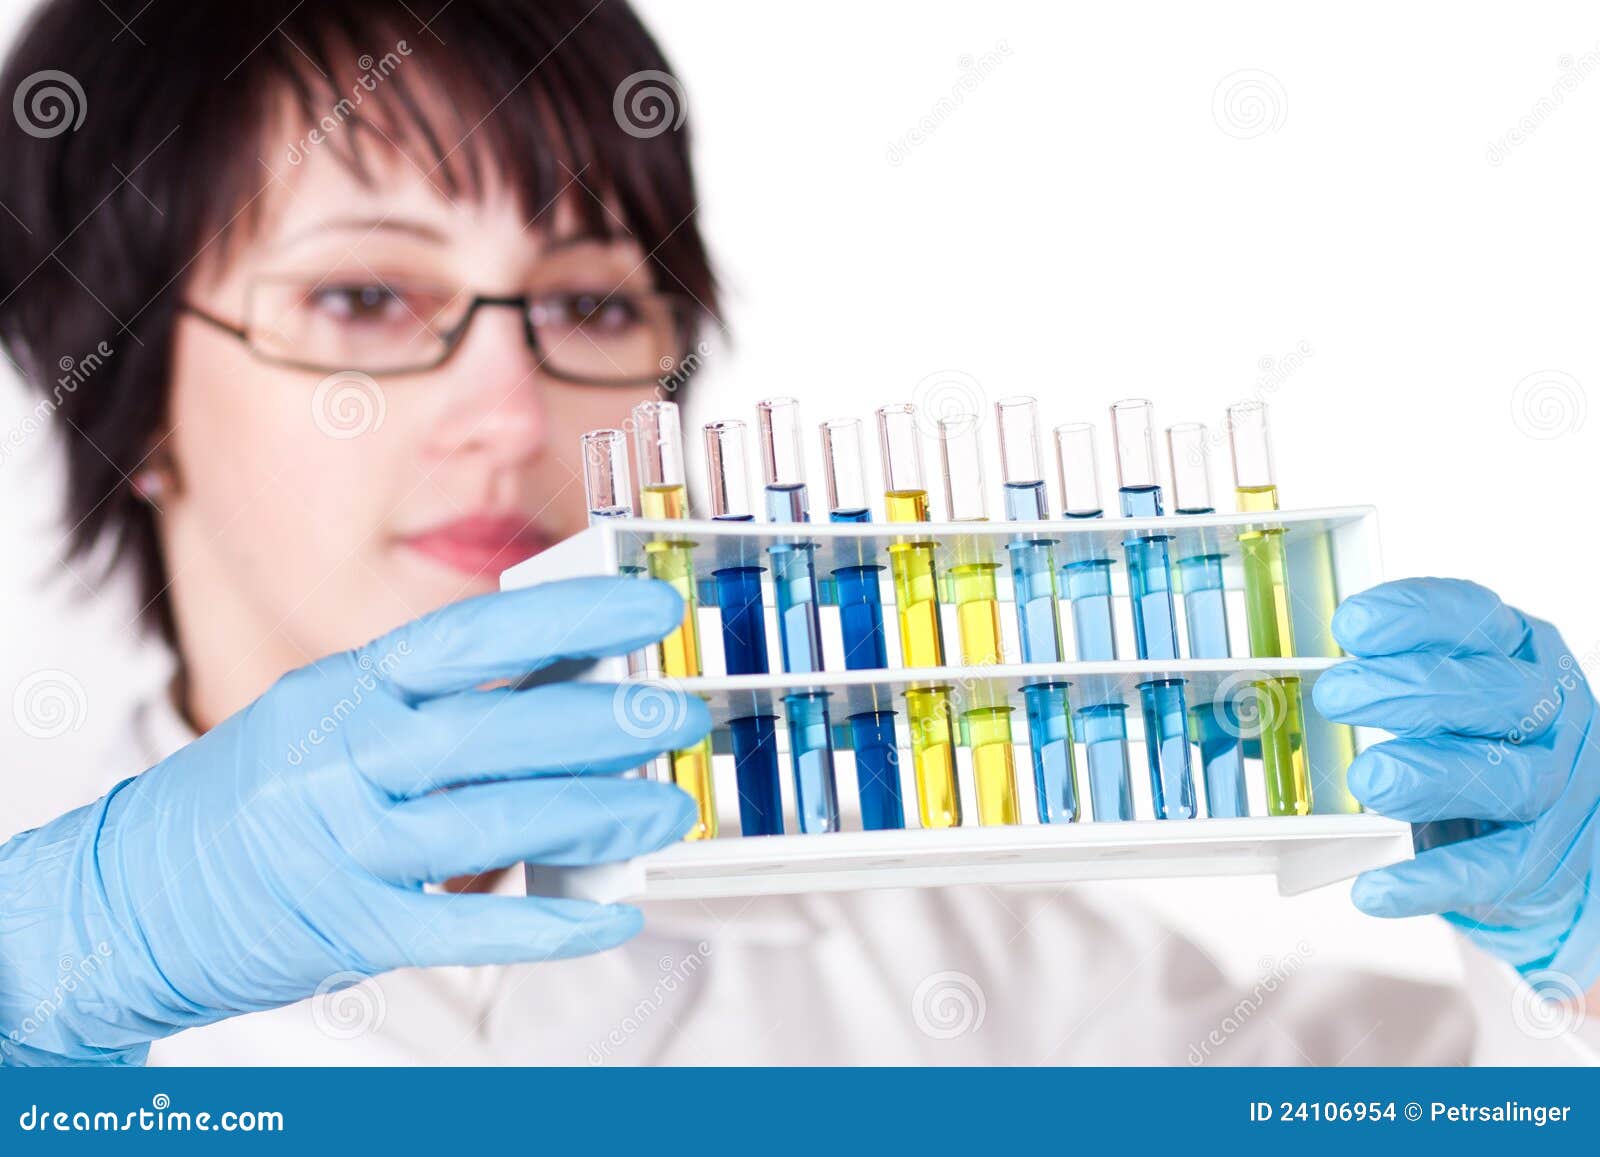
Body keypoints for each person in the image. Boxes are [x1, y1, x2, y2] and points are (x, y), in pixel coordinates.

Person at [0, 0, 1596, 1067]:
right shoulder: (52, 939)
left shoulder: (976, 968)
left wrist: (1568, 940)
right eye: (365, 295)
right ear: (123, 387)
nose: (508, 406)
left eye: (590, 304)